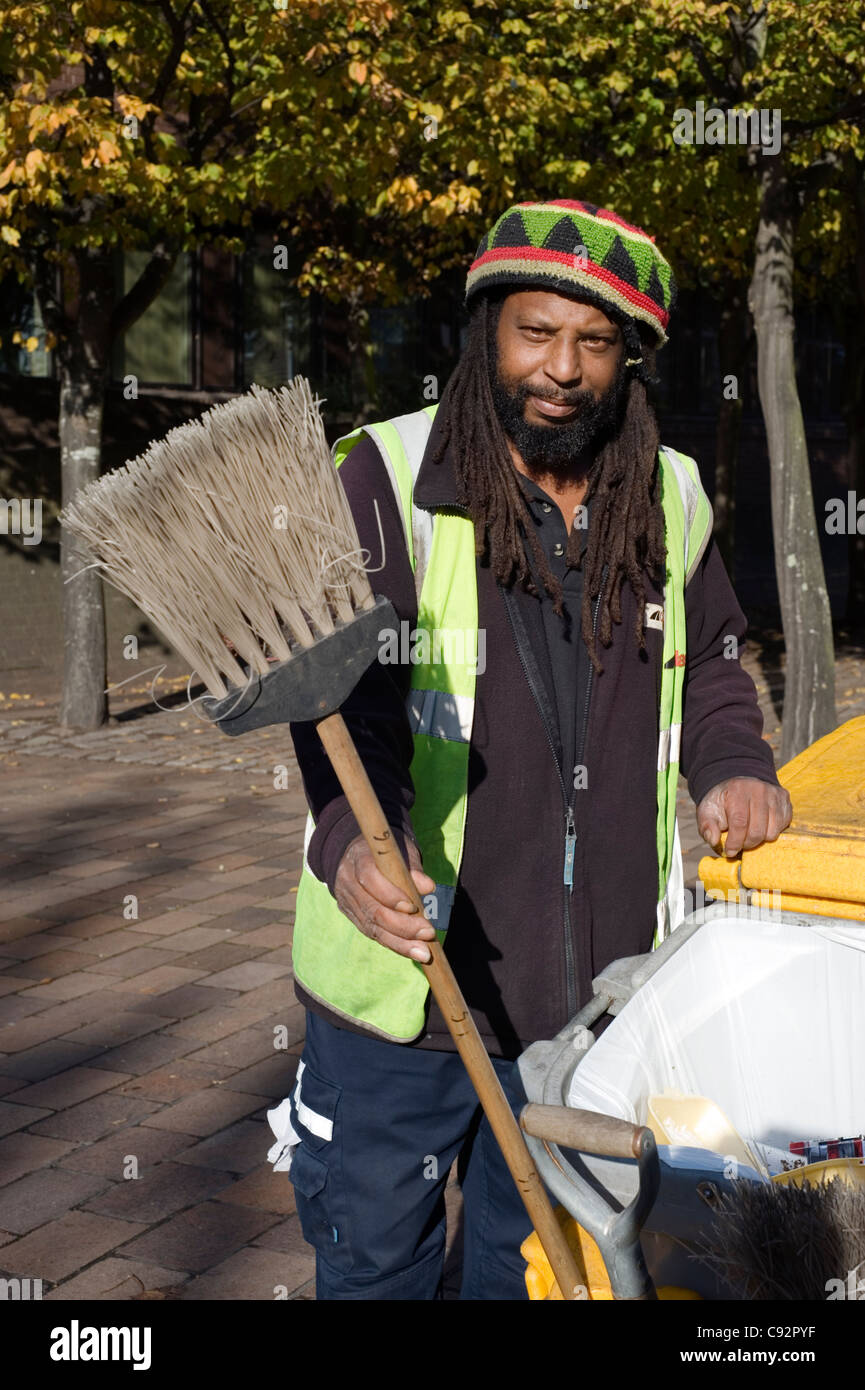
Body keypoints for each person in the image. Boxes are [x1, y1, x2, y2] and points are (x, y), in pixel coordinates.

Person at [270, 198, 793, 1300]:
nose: (561, 368)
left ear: (630, 360)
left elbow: (709, 663)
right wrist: (349, 846)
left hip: (582, 1007)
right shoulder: (388, 477)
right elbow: (343, 704)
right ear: (486, 331)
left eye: (594, 343)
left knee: (535, 1275)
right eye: (535, 332)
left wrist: (734, 762)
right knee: (376, 1270)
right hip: (403, 996)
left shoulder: (669, 491)